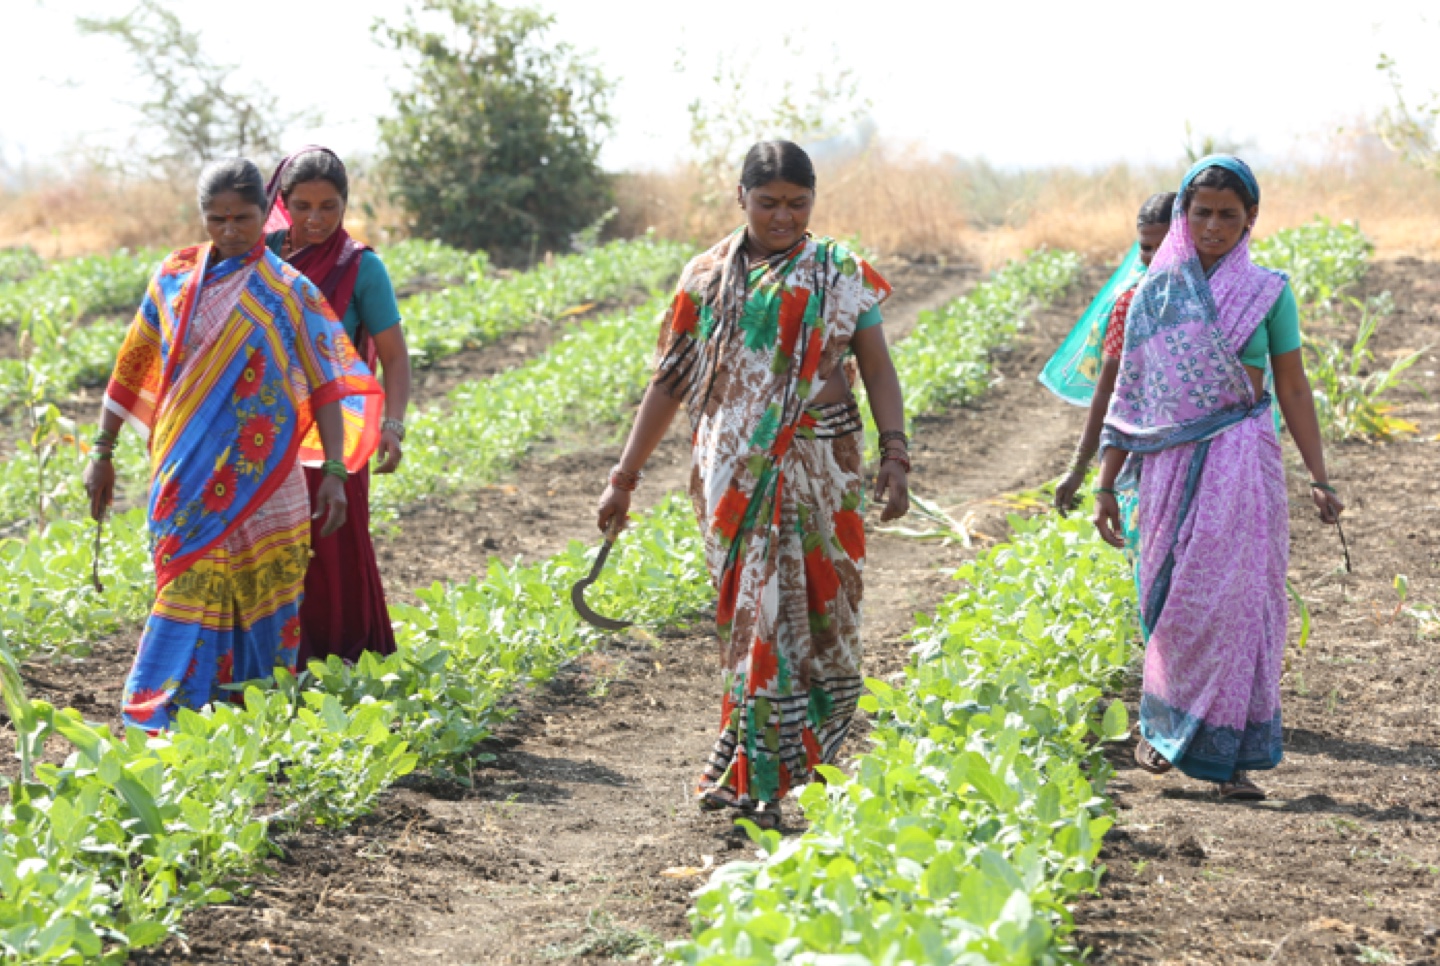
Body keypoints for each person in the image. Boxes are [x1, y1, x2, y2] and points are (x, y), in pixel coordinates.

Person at [595, 141, 910, 830]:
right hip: (734, 475)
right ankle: (756, 780)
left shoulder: (837, 271)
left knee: (827, 631)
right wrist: (624, 477)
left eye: (798, 204)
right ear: (740, 197)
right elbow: (670, 384)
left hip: (821, 468)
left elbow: (878, 371)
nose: (783, 217)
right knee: (757, 627)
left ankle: (764, 767)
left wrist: (896, 453)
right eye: (768, 202)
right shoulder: (705, 278)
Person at [84, 158, 381, 730]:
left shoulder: (288, 291)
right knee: (183, 581)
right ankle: (170, 704)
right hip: (184, 472)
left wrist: (339, 473)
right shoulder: (172, 277)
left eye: (243, 218)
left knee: (264, 592)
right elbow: (131, 366)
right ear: (202, 217)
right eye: (216, 218)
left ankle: (253, 707)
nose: (230, 231)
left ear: (261, 215)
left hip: (267, 478)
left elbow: (325, 386)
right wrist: (103, 450)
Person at [1092, 156, 1344, 800]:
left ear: (1250, 219)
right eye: (1201, 211)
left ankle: (1227, 755)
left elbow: (1291, 382)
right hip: (1169, 465)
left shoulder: (1267, 291)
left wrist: (1319, 475)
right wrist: (1104, 481)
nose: (1212, 225)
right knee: (1172, 593)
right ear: (1184, 213)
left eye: (1228, 214)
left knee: (1233, 599)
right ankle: (1169, 725)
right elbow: (1133, 393)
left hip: (1241, 456)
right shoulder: (1155, 294)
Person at [264, 147, 410, 664]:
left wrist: (393, 425)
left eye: (329, 206)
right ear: (283, 204)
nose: (316, 219)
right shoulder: (259, 256)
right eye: (302, 206)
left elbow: (393, 357)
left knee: (333, 543)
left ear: (345, 205)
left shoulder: (361, 267)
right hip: (266, 427)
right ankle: (270, 658)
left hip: (338, 430)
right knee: (269, 543)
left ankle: (338, 656)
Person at [1050, 192, 1176, 515]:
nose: (1153, 256)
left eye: (1163, 246)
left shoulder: (1224, 299)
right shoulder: (1130, 306)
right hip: (1149, 450)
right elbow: (1109, 389)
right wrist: (1079, 468)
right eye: (1145, 248)